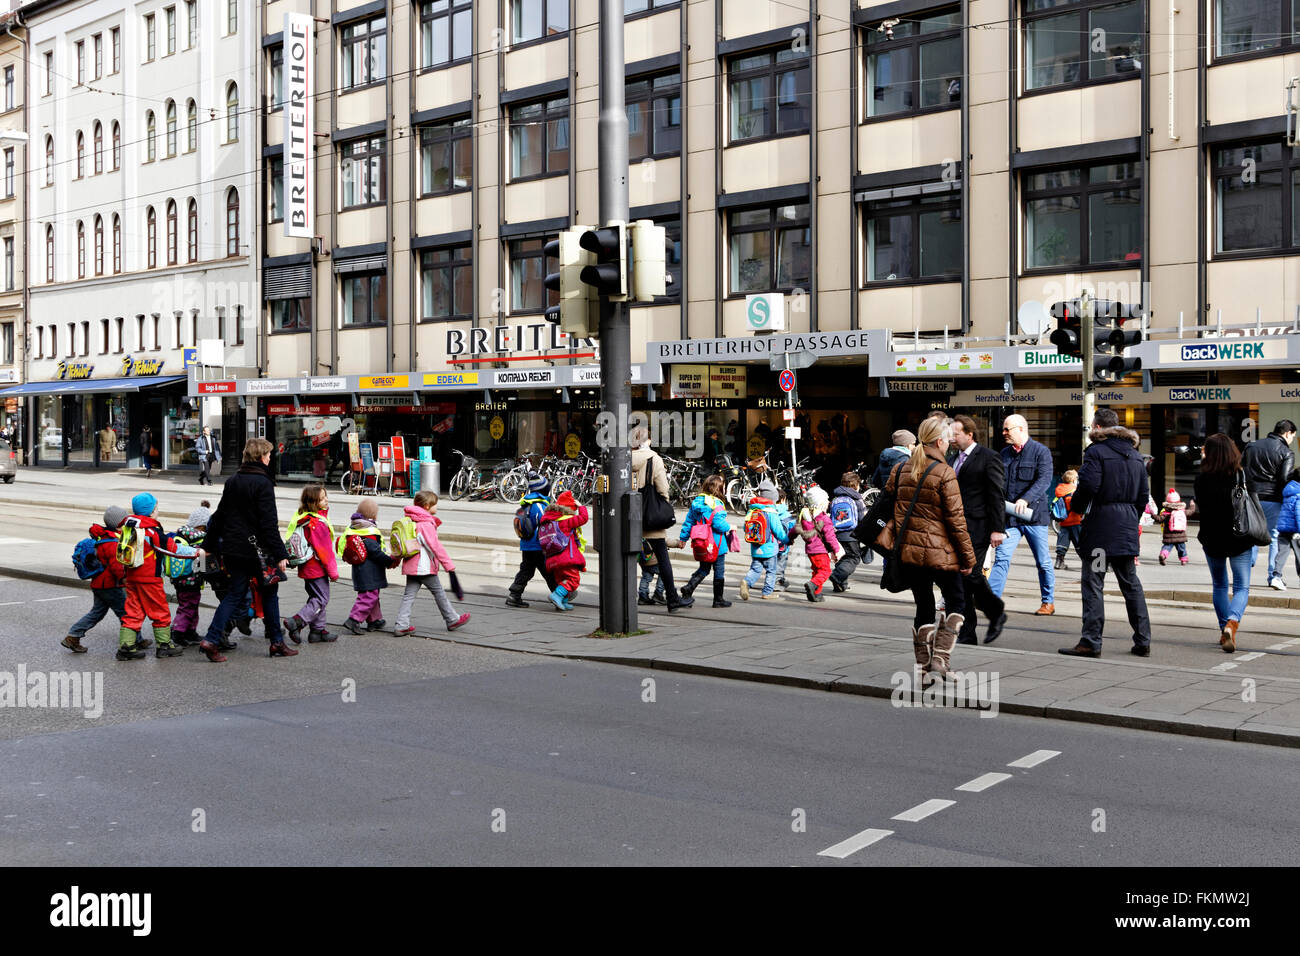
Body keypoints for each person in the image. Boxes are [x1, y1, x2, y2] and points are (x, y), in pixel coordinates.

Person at [872, 417, 975, 679]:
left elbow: (888, 506)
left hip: (909, 551)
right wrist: (968, 558)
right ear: (940, 442)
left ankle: (922, 669)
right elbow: (956, 521)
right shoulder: (945, 472)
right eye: (948, 440)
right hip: (941, 553)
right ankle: (940, 659)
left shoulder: (902, 469)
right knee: (957, 602)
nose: (950, 444)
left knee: (925, 607)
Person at [1059, 408, 1152, 658]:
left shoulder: (1096, 453)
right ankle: (1143, 640)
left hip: (1101, 530)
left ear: (1098, 428)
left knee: (1094, 584)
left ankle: (1091, 641)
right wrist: (1131, 517)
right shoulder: (1135, 456)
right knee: (1130, 584)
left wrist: (1077, 508)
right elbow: (1143, 496)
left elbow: (1088, 485)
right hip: (1126, 529)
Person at [199, 438, 295, 662]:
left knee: (233, 595)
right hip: (257, 551)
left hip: (233, 549)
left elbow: (219, 516)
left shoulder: (234, 480)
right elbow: (269, 524)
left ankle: (211, 639)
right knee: (270, 595)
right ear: (261, 456)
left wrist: (207, 546)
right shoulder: (263, 483)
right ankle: (277, 643)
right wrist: (281, 554)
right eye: (269, 455)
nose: (270, 458)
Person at [1194, 434, 1258, 653]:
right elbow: (1253, 503)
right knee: (1242, 586)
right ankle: (1232, 623)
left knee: (1220, 585)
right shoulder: (1242, 475)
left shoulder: (1201, 478)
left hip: (1212, 537)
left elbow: (1202, 508)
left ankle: (1224, 630)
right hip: (1239, 537)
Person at [988, 414, 1056, 615]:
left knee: (1043, 562)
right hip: (1010, 519)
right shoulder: (1004, 454)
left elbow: (1044, 480)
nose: (1004, 433)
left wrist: (1025, 499)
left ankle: (1048, 602)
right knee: (1001, 559)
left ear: (1021, 429)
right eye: (1004, 429)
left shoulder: (1041, 452)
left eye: (1007, 429)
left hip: (1035, 517)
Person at [117, 492, 197, 661]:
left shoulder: (129, 527)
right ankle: (164, 645)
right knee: (159, 610)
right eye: (156, 508)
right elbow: (173, 549)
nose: (157, 511)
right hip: (150, 578)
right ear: (151, 511)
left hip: (132, 576)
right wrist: (197, 552)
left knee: (133, 611)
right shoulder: (152, 532)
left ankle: (126, 646)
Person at [949, 414, 1008, 645]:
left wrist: (997, 528)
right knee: (962, 579)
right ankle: (968, 632)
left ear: (969, 434)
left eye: (956, 434)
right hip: (958, 527)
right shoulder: (953, 458)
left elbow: (996, 494)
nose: (952, 438)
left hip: (979, 526)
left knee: (970, 573)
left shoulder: (988, 457)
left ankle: (995, 612)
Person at [631, 426, 692, 611]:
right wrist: (662, 503)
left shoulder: (623, 458)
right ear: (647, 440)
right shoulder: (654, 458)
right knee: (663, 560)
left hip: (629, 515)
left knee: (627, 556)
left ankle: (624, 597)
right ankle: (672, 599)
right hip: (650, 516)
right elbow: (662, 487)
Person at [394, 491, 469, 634]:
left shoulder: (411, 520)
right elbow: (435, 546)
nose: (437, 507)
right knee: (439, 592)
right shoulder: (425, 524)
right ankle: (452, 619)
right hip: (424, 567)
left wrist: (394, 560)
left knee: (409, 595)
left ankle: (401, 624)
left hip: (412, 566)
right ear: (427, 506)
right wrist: (448, 565)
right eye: (435, 505)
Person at [63, 505, 132, 654]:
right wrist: (124, 579)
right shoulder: (113, 543)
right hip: (111, 586)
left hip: (99, 584)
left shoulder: (104, 538)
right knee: (126, 614)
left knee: (97, 613)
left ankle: (73, 636)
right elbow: (116, 567)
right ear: (120, 525)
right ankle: (133, 642)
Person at [1241, 419, 1296, 590]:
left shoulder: (1252, 446)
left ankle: (1245, 572)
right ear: (1287, 433)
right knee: (1273, 537)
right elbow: (1284, 480)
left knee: (1251, 534)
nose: (1292, 439)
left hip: (1251, 497)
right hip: (1273, 500)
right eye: (1293, 436)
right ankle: (1273, 576)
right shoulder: (1286, 452)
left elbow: (1242, 470)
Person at [283, 485, 338, 644]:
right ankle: (297, 621)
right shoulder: (317, 523)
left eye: (326, 496)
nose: (326, 499)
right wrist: (333, 572)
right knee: (321, 599)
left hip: (307, 566)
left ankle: (317, 631)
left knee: (316, 597)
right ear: (314, 503)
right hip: (316, 568)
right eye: (322, 498)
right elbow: (325, 551)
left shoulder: (304, 517)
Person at [338, 497, 394, 635]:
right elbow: (375, 552)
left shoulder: (354, 528)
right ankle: (354, 620)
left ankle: (374, 620)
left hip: (359, 570)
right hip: (370, 572)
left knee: (371, 595)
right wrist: (389, 561)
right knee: (369, 596)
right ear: (374, 515)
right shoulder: (369, 532)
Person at [677, 474, 734, 609]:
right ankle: (718, 599)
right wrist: (730, 527)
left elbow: (688, 522)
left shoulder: (697, 502)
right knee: (719, 570)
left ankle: (689, 588)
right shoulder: (717, 505)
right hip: (716, 544)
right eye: (724, 487)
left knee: (704, 569)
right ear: (719, 489)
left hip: (701, 543)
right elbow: (718, 524)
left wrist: (683, 538)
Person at [505, 473, 556, 607]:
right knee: (548, 571)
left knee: (527, 570)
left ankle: (514, 595)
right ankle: (560, 595)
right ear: (543, 490)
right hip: (538, 545)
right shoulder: (539, 505)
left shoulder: (526, 503)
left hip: (527, 544)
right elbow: (546, 523)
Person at [168, 502, 211, 647]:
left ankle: (190, 631)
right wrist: (206, 575)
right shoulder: (201, 539)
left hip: (179, 578)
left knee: (189, 605)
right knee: (188, 606)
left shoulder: (181, 535)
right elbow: (203, 563)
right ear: (203, 525)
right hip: (192, 580)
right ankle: (178, 632)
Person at [738, 479, 788, 601]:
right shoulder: (771, 511)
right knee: (771, 571)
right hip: (770, 548)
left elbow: (746, 528)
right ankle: (767, 592)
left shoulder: (752, 510)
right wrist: (787, 539)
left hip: (755, 546)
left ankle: (747, 582)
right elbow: (778, 531)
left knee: (755, 568)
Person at [540, 489, 589, 611]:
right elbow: (583, 518)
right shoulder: (566, 521)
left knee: (562, 580)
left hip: (552, 558)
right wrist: (581, 506)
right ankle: (556, 595)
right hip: (566, 558)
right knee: (573, 579)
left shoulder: (549, 519)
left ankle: (562, 601)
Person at [798, 485, 842, 603]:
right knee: (825, 571)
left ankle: (816, 594)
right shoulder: (823, 518)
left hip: (810, 551)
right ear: (821, 503)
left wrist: (789, 539)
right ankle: (813, 585)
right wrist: (836, 549)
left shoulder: (804, 515)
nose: (828, 502)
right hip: (821, 551)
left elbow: (794, 529)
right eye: (826, 501)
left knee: (817, 571)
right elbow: (830, 537)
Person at [828, 472, 869, 592]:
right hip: (852, 535)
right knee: (853, 558)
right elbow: (862, 519)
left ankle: (841, 584)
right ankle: (836, 576)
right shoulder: (857, 499)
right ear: (856, 485)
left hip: (837, 534)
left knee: (841, 558)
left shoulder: (836, 498)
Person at [1053, 469, 1083, 569]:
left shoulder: (1059, 489)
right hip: (1075, 521)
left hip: (1063, 521)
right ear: (1073, 480)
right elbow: (1079, 507)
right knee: (1080, 543)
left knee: (1062, 542)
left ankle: (1059, 562)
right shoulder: (1074, 491)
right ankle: (1087, 564)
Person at [1276, 471, 1300, 586]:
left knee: (1282, 553)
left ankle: (1276, 576)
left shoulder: (1288, 490)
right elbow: (1299, 513)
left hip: (1284, 528)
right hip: (1296, 529)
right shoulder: (1299, 493)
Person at [1156, 488, 1189, 566]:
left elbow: (1159, 519)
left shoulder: (1166, 513)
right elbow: (1190, 512)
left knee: (1167, 546)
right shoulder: (1182, 511)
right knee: (1181, 547)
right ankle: (1183, 559)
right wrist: (1193, 506)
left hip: (1169, 535)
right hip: (1180, 534)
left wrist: (1153, 514)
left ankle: (1163, 555)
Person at [637, 539, 667, 606]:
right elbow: (666, 541)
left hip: (643, 561)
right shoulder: (653, 532)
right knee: (664, 574)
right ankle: (658, 594)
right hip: (654, 560)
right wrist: (678, 543)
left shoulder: (640, 534)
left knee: (645, 578)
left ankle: (643, 597)